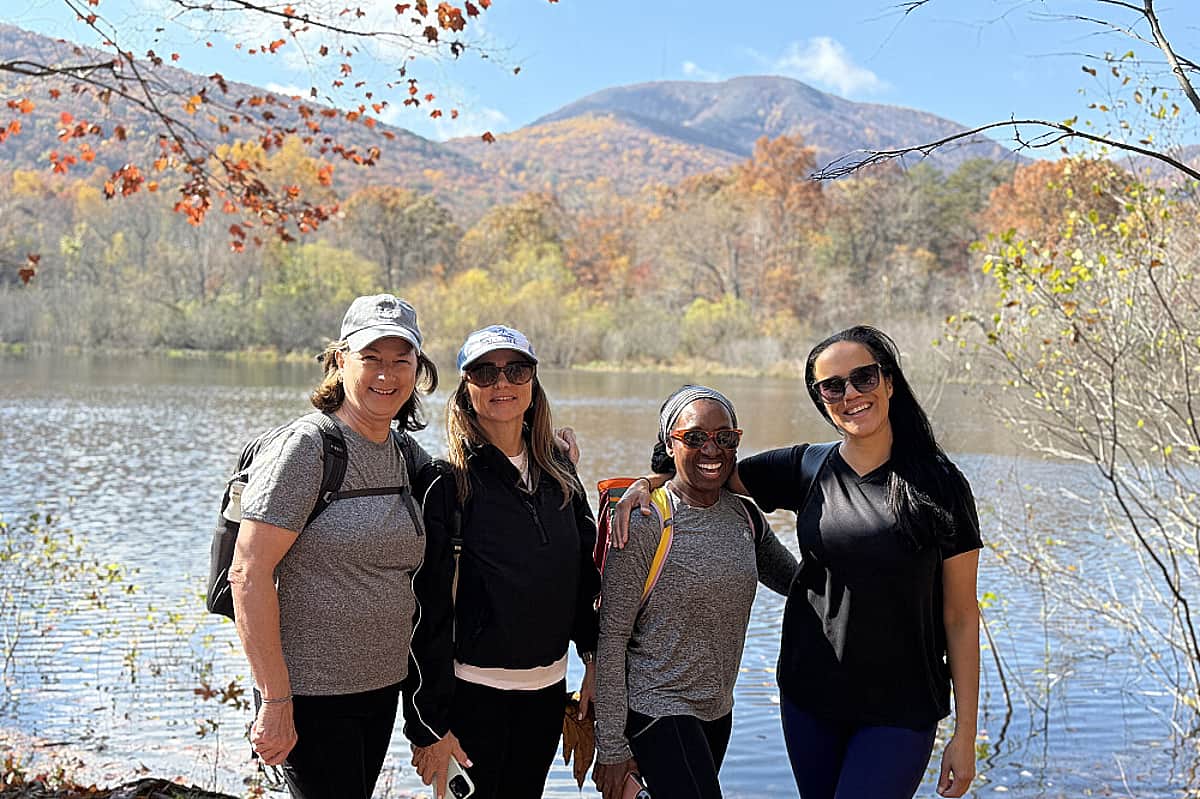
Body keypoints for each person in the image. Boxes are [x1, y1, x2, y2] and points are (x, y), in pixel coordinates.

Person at [614, 326, 982, 799]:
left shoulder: (942, 485)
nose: (850, 394)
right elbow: (708, 468)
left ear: (889, 381)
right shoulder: (807, 467)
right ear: (821, 399)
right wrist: (645, 483)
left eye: (863, 378)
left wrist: (965, 733)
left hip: (901, 707)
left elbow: (961, 615)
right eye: (833, 386)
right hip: (811, 697)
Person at [227, 293, 438, 799]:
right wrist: (276, 701)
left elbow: (473, 491)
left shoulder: (402, 451)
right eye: (371, 359)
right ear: (341, 361)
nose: (386, 374)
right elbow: (248, 573)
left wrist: (552, 453)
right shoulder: (308, 447)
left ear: (416, 369)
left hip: (381, 686)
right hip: (311, 694)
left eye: (400, 360)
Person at [404, 324, 601, 799]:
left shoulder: (561, 474)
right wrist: (428, 726)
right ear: (465, 389)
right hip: (471, 700)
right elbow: (422, 612)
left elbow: (585, 578)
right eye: (485, 373)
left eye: (516, 370)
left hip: (548, 694)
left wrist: (593, 660)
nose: (502, 384)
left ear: (533, 384)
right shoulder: (445, 482)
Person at [592, 386, 798, 799]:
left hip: (718, 711)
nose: (712, 449)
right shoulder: (646, 521)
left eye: (725, 438)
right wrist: (611, 745)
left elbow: (800, 585)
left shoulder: (745, 516)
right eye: (695, 437)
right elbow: (611, 639)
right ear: (670, 443)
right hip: (656, 706)